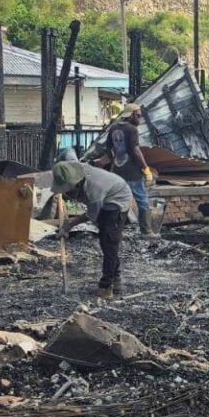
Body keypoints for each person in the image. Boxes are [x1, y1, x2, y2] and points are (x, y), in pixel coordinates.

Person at [52, 159, 133, 298]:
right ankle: (116, 279)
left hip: (117, 201)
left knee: (109, 243)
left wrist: (69, 226)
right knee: (108, 244)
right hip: (107, 195)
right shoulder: (76, 170)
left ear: (77, 184)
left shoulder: (94, 189)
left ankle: (106, 287)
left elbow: (91, 215)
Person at [95, 103, 154, 231]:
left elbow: (108, 149)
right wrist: (146, 168)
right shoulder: (132, 129)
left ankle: (112, 228)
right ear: (131, 115)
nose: (139, 119)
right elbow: (136, 150)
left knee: (115, 201)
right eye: (138, 115)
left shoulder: (113, 128)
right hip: (133, 173)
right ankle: (146, 231)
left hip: (117, 172)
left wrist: (113, 163)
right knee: (142, 201)